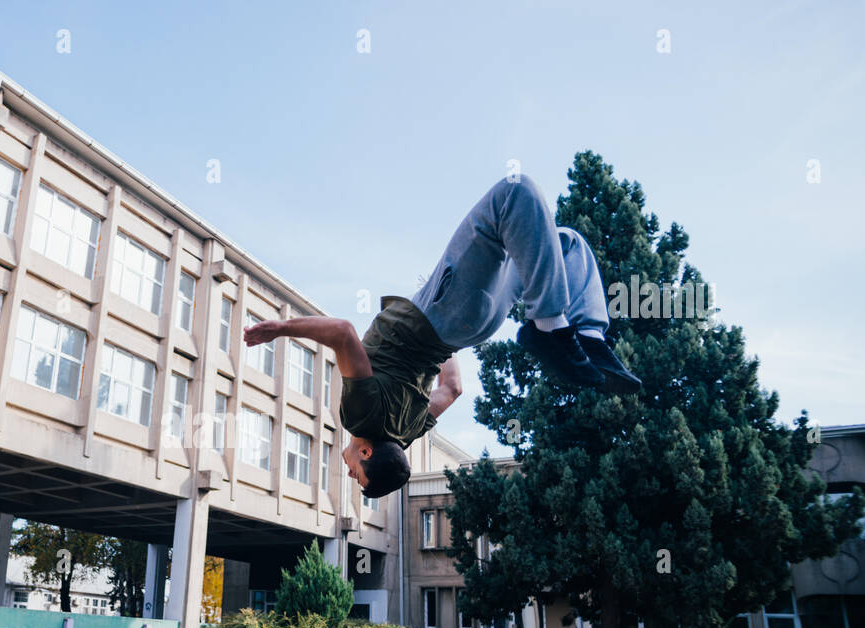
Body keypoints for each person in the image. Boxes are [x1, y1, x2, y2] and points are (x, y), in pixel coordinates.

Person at [243, 174, 641, 499]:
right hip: (448, 311)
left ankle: (588, 335)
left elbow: (451, 388)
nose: (349, 472)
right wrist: (280, 328)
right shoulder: (359, 416)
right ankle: (553, 328)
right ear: (365, 452)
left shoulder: (410, 429)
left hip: (474, 326)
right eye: (357, 476)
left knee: (562, 241)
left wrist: (447, 334)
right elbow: (343, 334)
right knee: (514, 193)